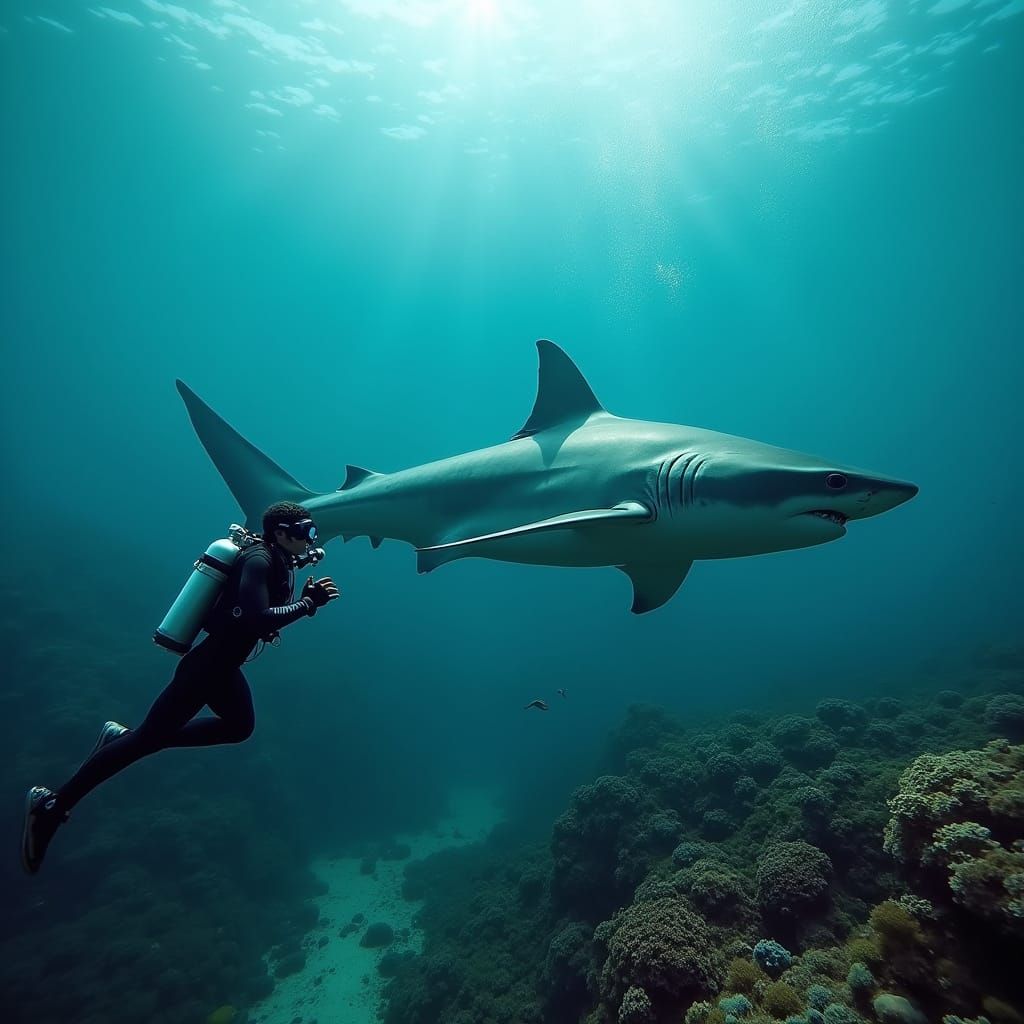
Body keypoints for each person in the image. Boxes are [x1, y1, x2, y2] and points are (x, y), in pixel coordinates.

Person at [21, 501, 339, 874]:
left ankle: (125, 739)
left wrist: (302, 591)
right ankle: (50, 807)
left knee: (238, 728)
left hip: (222, 667)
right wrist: (307, 604)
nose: (312, 539)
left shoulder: (278, 558)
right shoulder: (259, 560)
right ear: (281, 533)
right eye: (305, 531)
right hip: (206, 669)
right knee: (145, 742)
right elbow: (254, 620)